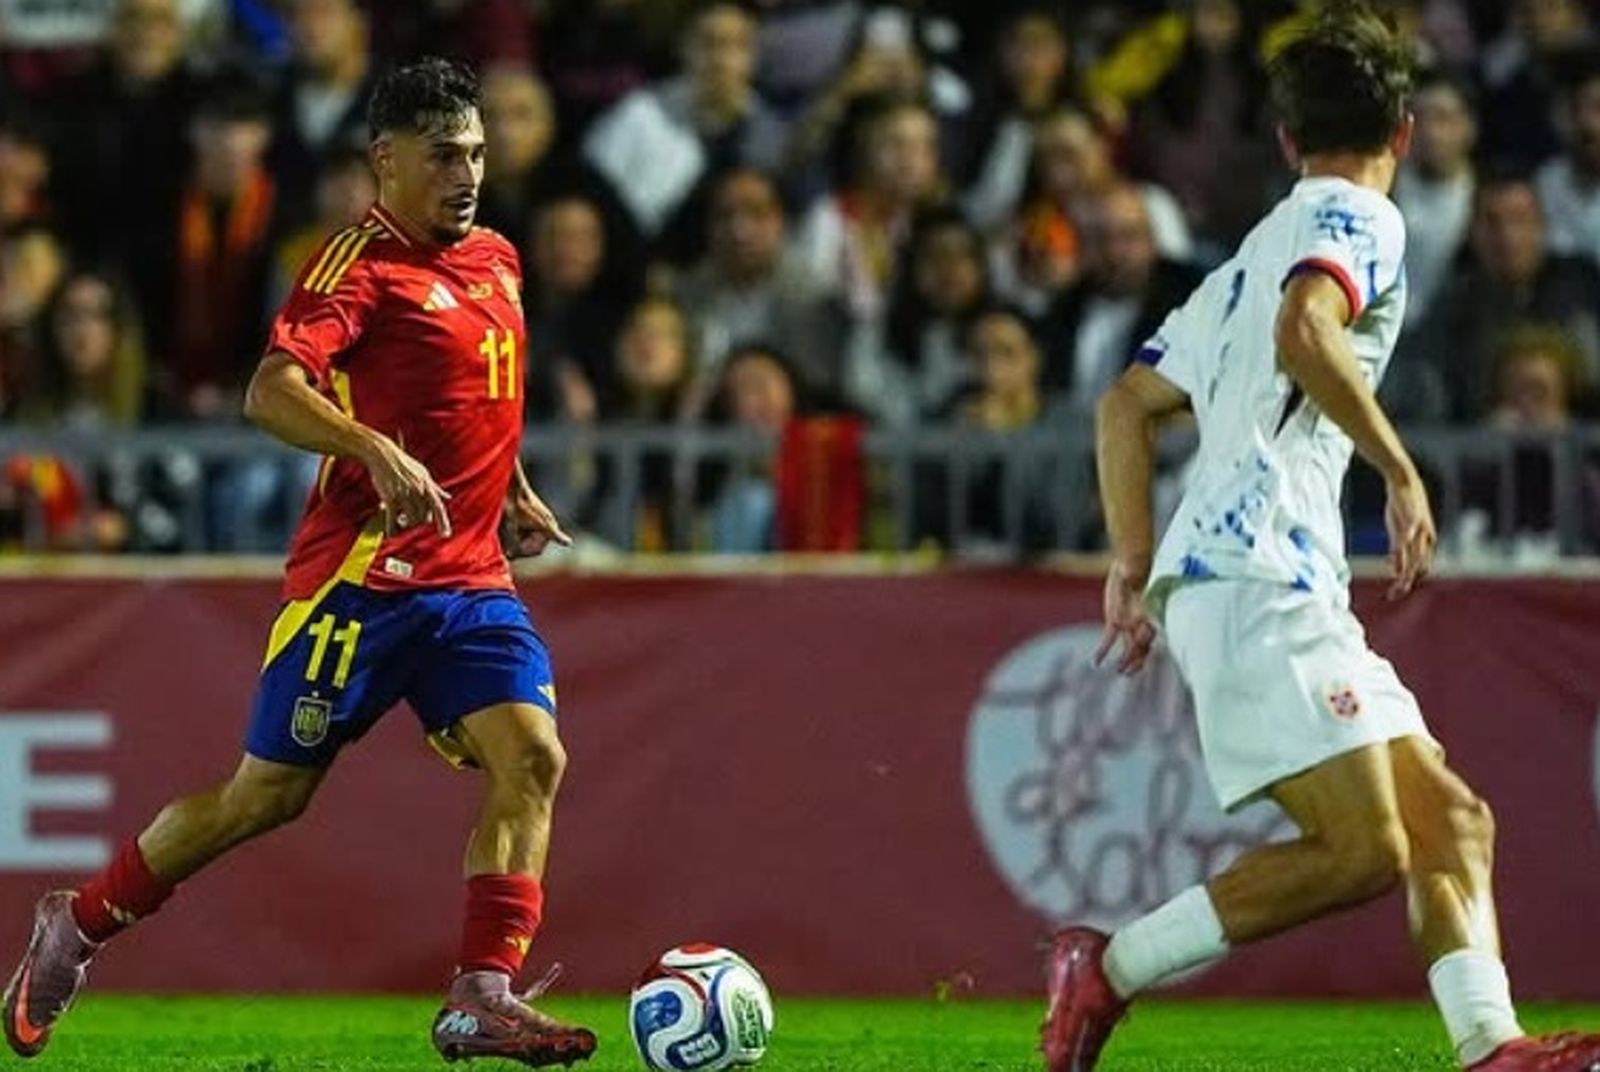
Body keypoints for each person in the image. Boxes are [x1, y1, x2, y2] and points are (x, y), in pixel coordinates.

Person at [2, 57, 598, 1068]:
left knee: (534, 756)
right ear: (385, 160)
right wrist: (373, 452)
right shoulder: (355, 266)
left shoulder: (497, 256)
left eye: (475, 153)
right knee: (265, 797)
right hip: (359, 582)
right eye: (444, 156)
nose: (467, 174)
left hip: (467, 580)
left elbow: (472, 399)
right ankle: (78, 922)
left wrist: (513, 487)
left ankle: (479, 993)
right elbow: (271, 391)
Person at [1047, 6, 1600, 1072]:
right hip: (1256, 572)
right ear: (1404, 132)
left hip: (1256, 575)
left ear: (1287, 138)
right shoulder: (1359, 216)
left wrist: (1133, 562)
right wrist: (1399, 467)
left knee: (1452, 823)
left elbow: (1123, 405)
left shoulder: (1245, 258)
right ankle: (1108, 966)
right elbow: (1308, 329)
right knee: (1361, 848)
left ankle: (1491, 1048)